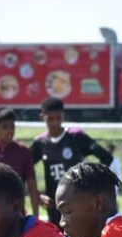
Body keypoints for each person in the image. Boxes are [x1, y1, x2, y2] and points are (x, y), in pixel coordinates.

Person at [29, 97, 112, 226]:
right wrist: (38, 195)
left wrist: (92, 184)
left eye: (59, 118)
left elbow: (106, 157)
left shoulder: (76, 136)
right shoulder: (40, 143)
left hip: (80, 201)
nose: (55, 123)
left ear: (63, 116)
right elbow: (24, 170)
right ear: (42, 117)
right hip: (55, 204)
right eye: (50, 119)